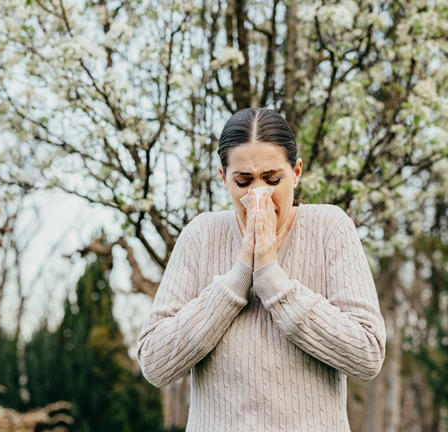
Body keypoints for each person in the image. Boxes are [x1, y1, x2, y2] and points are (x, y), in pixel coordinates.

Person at [136, 107, 386, 431]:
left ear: (296, 172)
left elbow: (367, 355)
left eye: (272, 179)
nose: (258, 194)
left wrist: (272, 279)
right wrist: (238, 277)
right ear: (224, 178)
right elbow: (155, 363)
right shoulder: (200, 236)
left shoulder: (330, 229)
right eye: (243, 181)